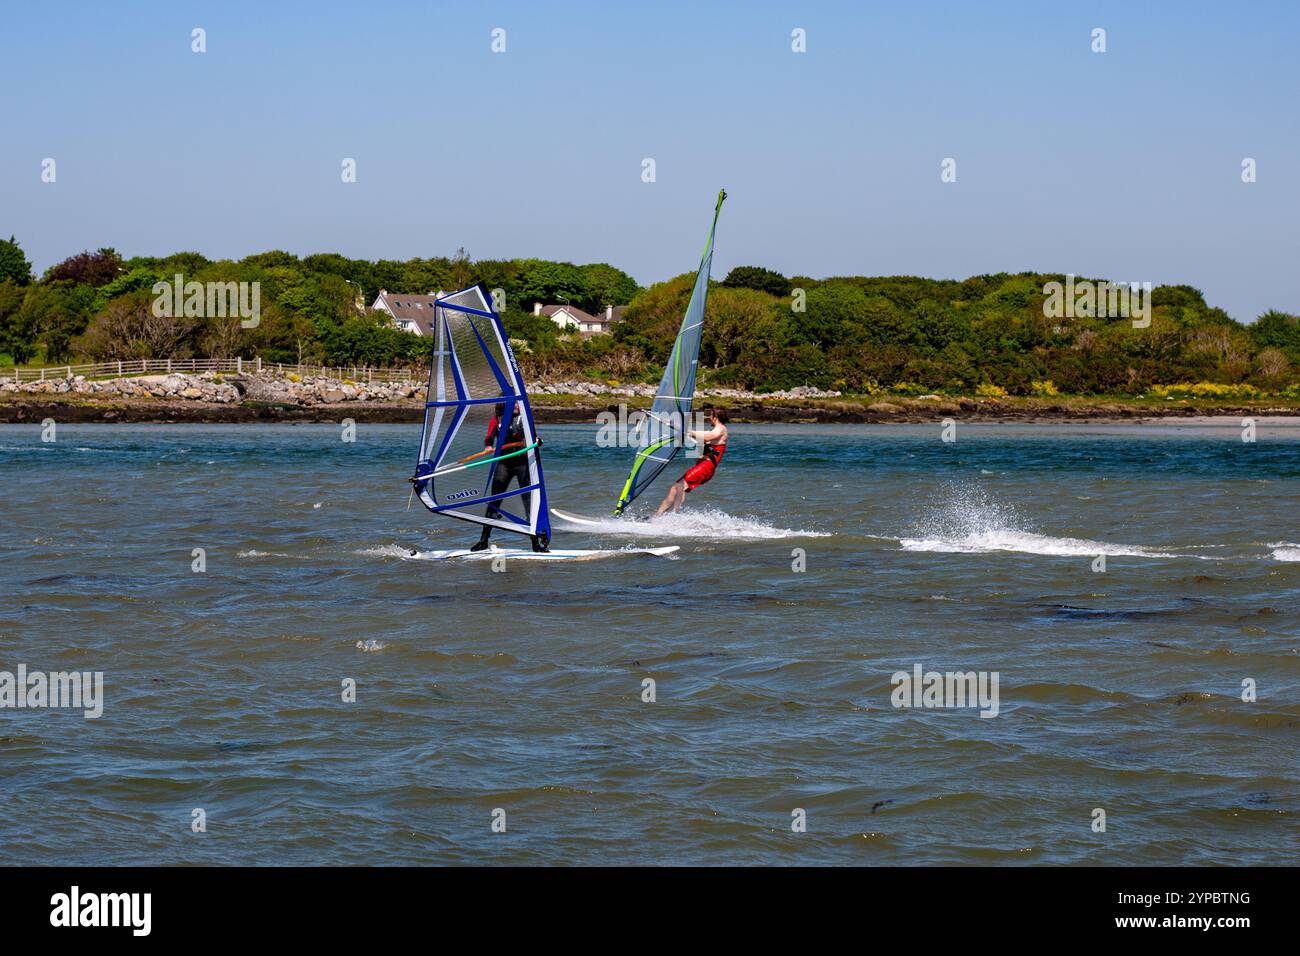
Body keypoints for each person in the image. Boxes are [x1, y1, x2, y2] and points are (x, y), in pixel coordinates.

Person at [471, 401, 548, 552]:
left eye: (518, 403)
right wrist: (488, 447)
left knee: (528, 501)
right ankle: (483, 540)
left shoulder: (525, 417)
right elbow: (489, 438)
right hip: (504, 463)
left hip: (522, 463)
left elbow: (533, 436)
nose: (516, 406)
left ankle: (535, 543)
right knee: (494, 500)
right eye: (512, 403)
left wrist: (537, 441)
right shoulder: (497, 418)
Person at [655, 406, 728, 516]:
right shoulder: (715, 430)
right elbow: (697, 436)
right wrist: (672, 424)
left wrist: (688, 431)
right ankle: (657, 516)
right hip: (703, 465)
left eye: (710, 416)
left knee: (679, 488)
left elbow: (707, 437)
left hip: (706, 467)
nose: (709, 418)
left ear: (715, 417)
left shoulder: (721, 429)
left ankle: (674, 517)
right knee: (675, 489)